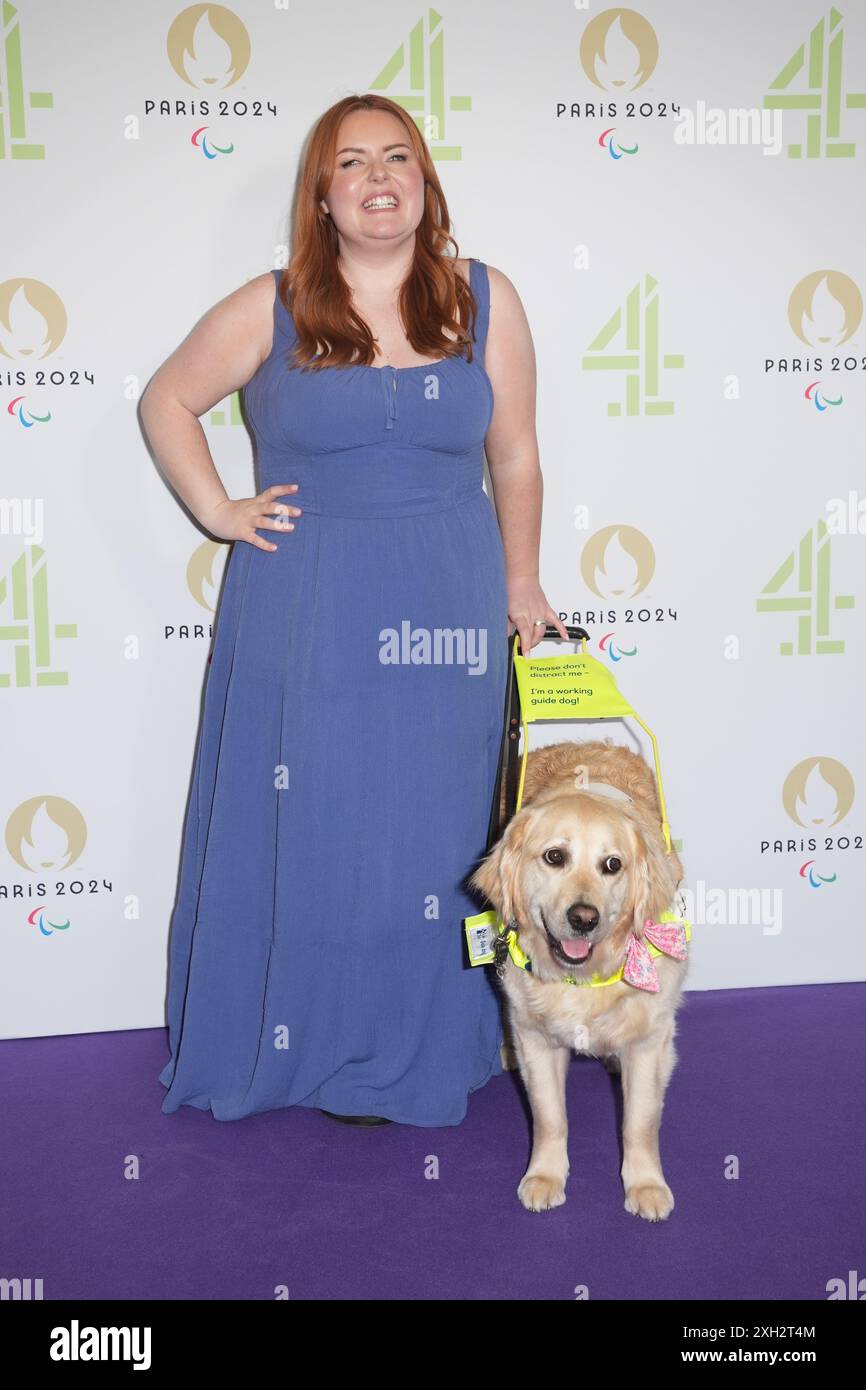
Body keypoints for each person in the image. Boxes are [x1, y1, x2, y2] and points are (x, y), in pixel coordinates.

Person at [140, 92, 566, 1128]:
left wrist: (520, 582)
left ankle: (422, 1038)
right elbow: (166, 399)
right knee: (313, 822)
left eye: (398, 160)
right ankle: (303, 1039)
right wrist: (217, 509)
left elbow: (512, 455)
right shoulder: (273, 301)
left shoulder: (483, 299)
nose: (379, 180)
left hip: (448, 600)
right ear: (321, 196)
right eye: (351, 165)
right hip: (307, 603)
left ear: (424, 183)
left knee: (429, 832)